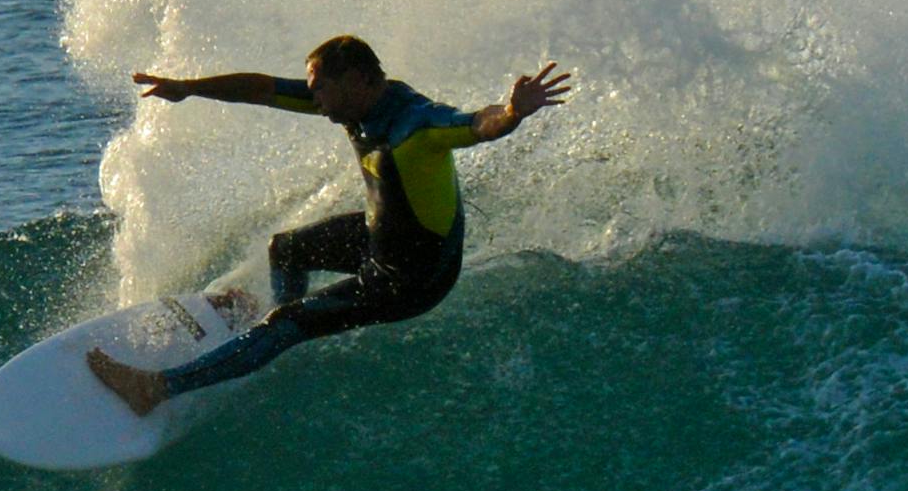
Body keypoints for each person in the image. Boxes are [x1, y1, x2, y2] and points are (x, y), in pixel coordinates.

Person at [84, 38, 573, 417]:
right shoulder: (352, 105)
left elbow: (474, 123)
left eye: (321, 87)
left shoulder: (416, 125)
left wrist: (511, 112)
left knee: (289, 322)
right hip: (380, 235)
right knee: (287, 249)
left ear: (358, 80)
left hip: (413, 276)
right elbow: (263, 88)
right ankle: (266, 338)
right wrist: (189, 87)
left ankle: (157, 389)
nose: (314, 98)